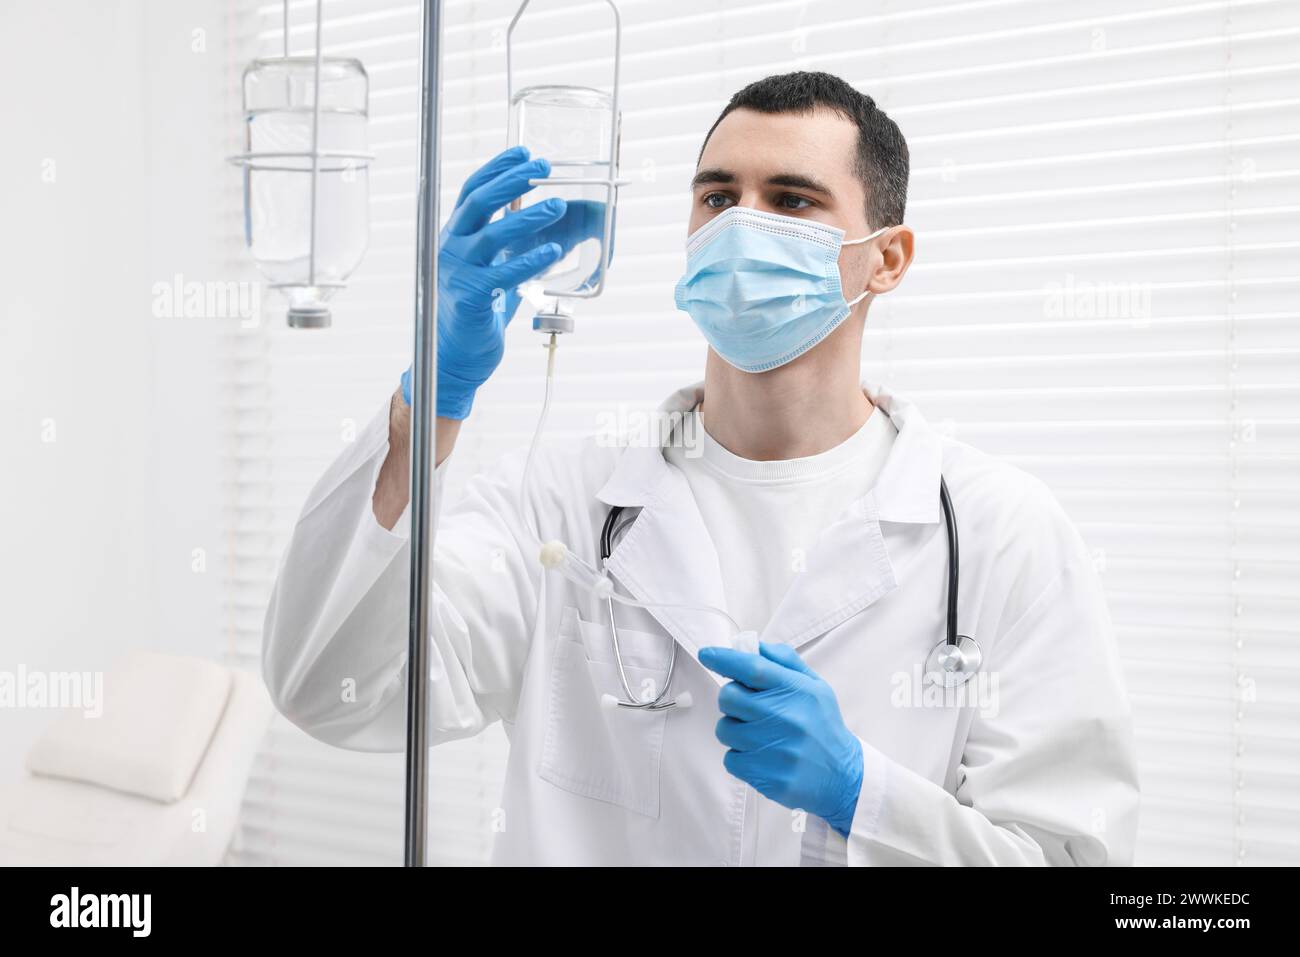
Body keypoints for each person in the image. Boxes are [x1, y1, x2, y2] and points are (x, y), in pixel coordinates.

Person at [262, 71, 1140, 866]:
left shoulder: (998, 531)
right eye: (718, 197)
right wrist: (433, 401)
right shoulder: (563, 507)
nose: (740, 229)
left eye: (791, 201)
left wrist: (862, 794)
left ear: (887, 258)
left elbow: (1071, 861)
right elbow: (330, 687)